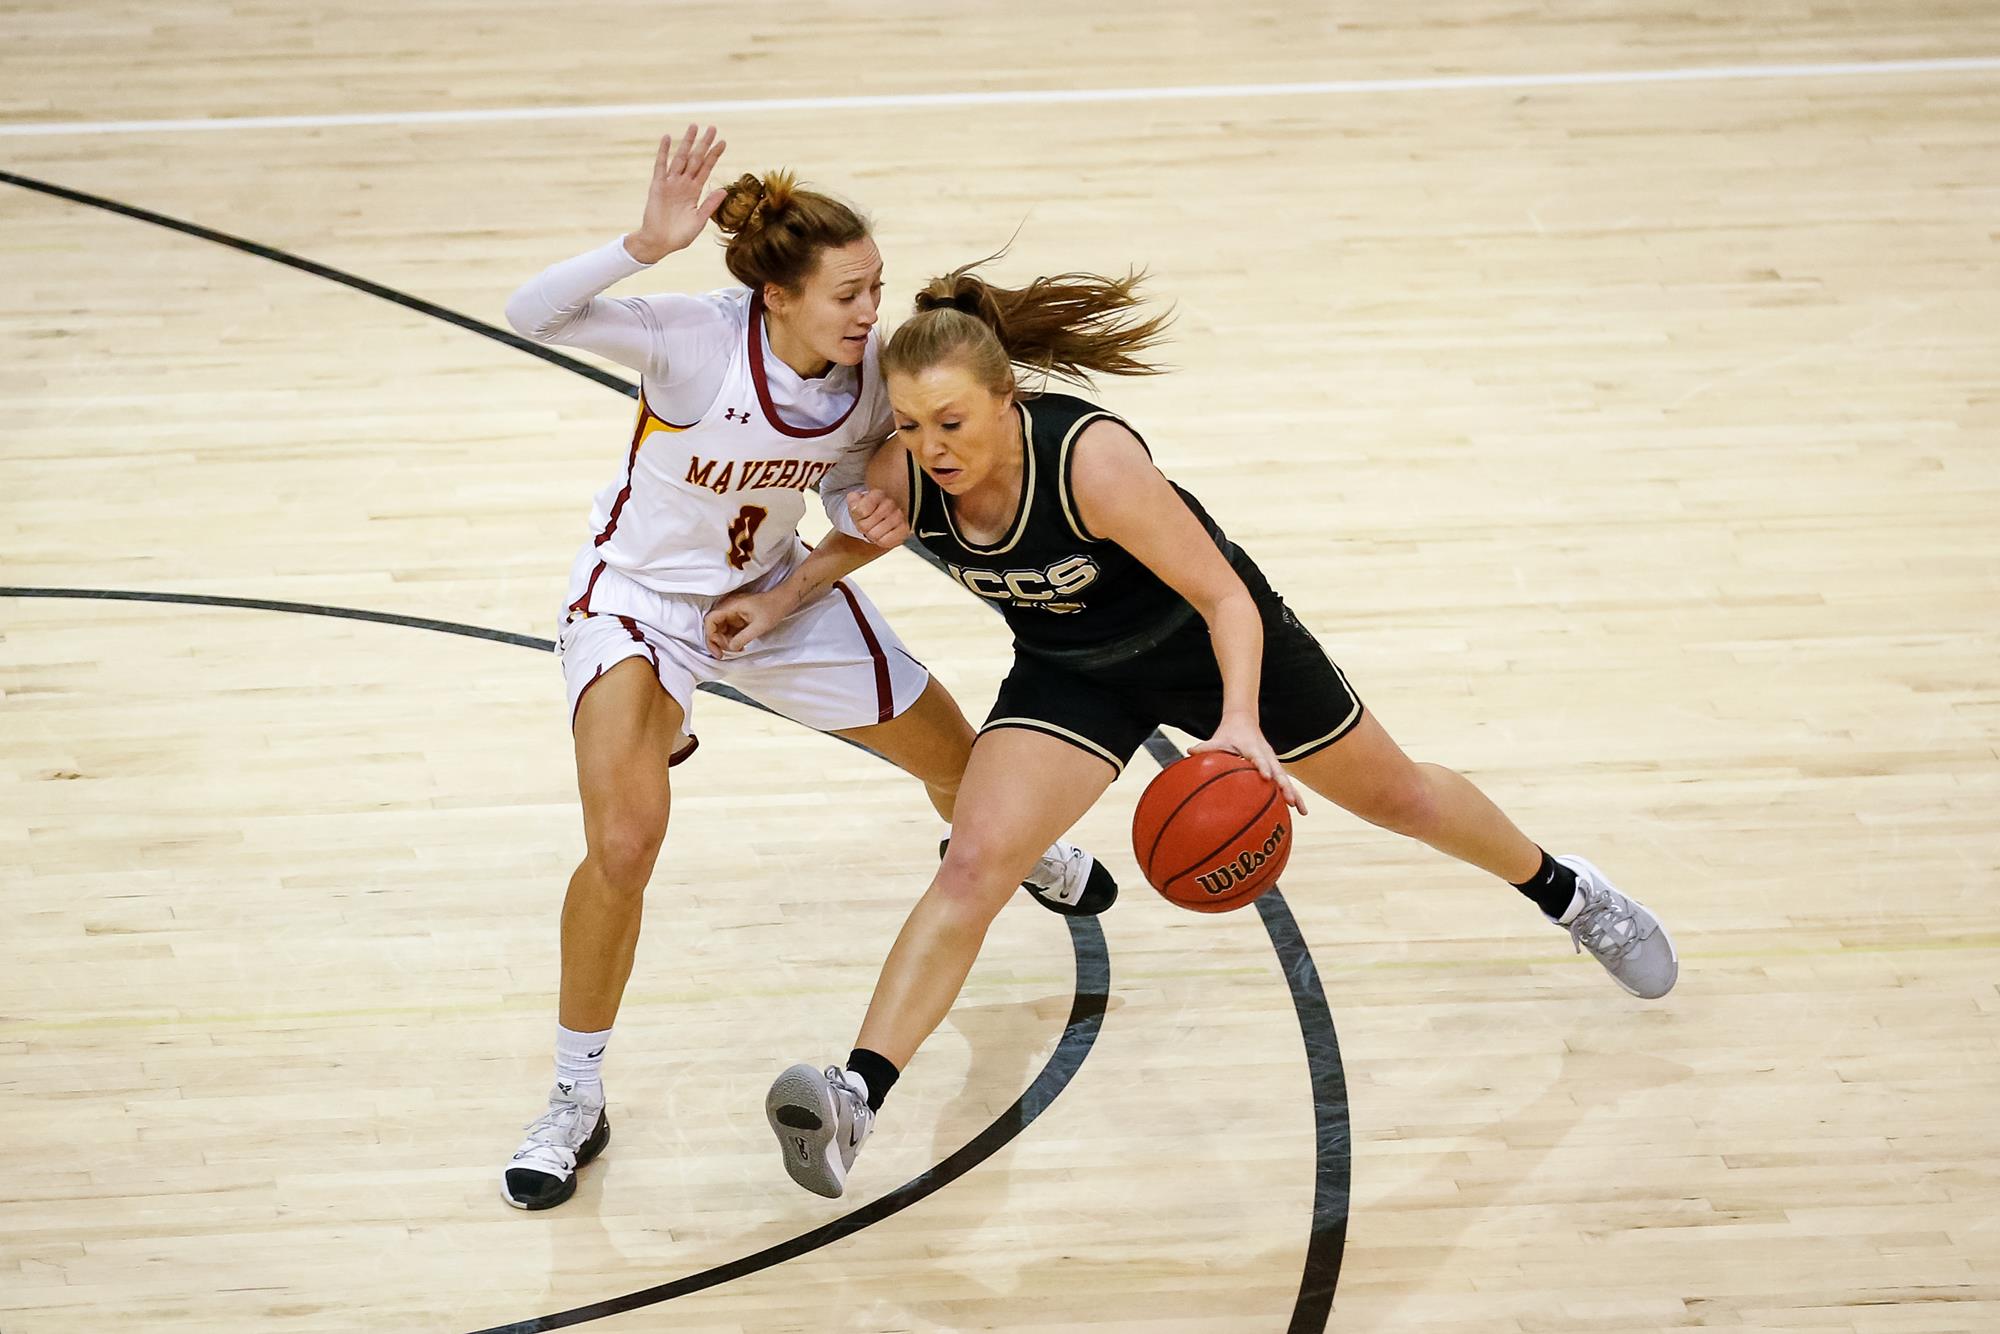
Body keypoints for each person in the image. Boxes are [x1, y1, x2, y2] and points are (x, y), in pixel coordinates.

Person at [704, 259, 1679, 1200]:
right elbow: (855, 538)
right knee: (973, 862)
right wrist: (780, 597)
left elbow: (1223, 597)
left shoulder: (1091, 461)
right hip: (1070, 670)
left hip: (1209, 647)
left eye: (952, 422)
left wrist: (1241, 722)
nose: (933, 447)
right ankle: (855, 1095)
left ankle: (1569, 892)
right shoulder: (905, 473)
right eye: (913, 424)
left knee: (1401, 798)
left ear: (1008, 400)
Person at [494, 131, 1116, 1211]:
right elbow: (529, 314)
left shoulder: (871, 379)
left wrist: (860, 509)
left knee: (960, 764)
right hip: (639, 599)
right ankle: (572, 1097)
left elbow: (847, 493)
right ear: (776, 297)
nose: (870, 310)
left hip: (774, 595)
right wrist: (642, 245)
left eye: (875, 286)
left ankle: (1014, 846)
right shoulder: (697, 341)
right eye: (848, 293)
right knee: (624, 841)